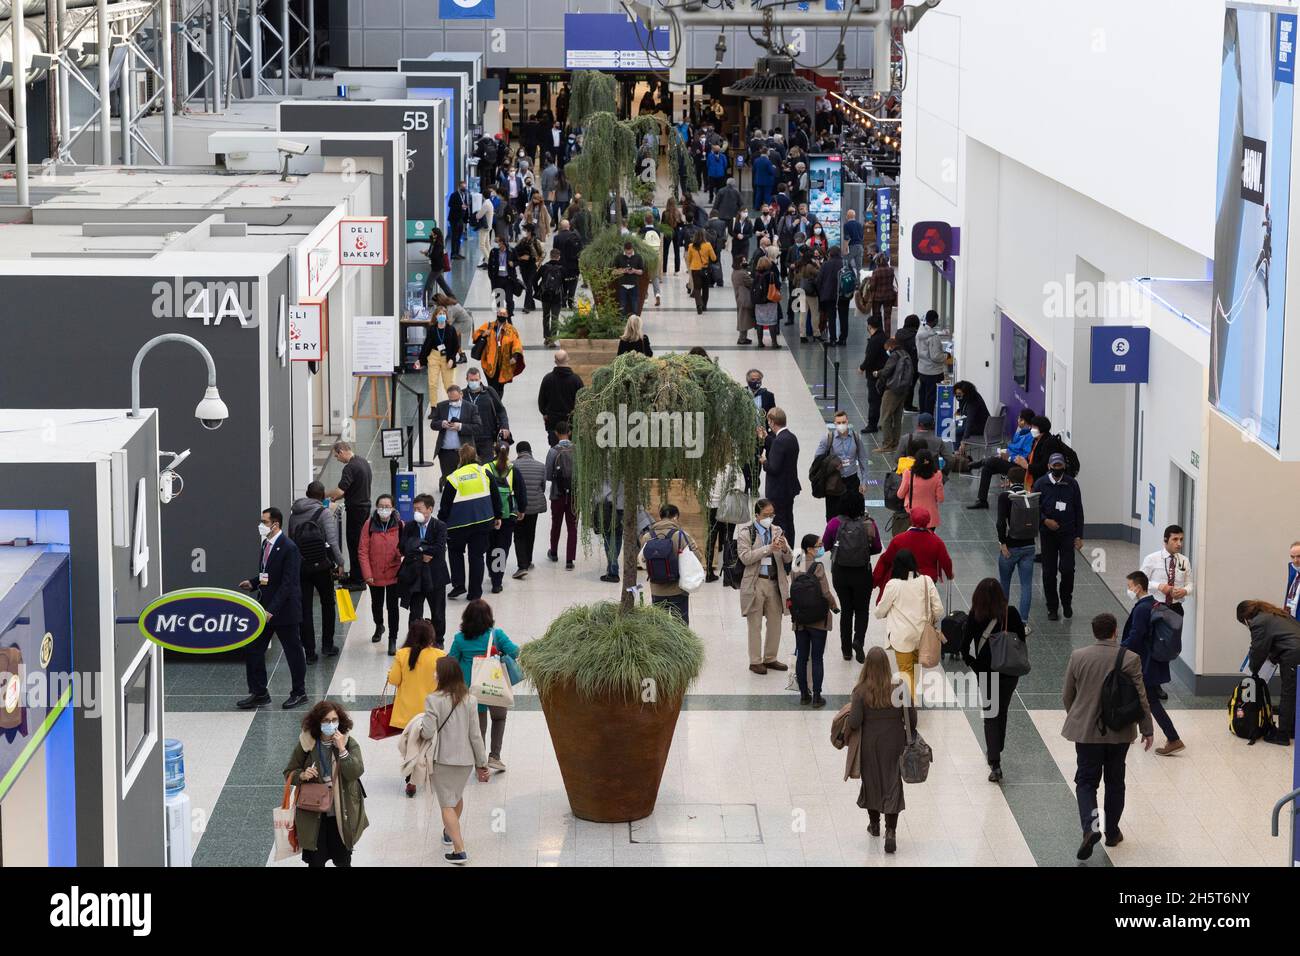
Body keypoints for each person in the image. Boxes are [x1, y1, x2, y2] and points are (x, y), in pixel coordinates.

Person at [1062, 613, 1154, 859]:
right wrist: (1147, 728)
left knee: (1086, 781)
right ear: (1115, 631)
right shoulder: (1131, 658)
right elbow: (1141, 696)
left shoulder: (1079, 656)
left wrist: (1079, 717)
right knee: (1115, 782)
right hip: (1120, 732)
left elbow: (1067, 695)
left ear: (1095, 632)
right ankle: (1112, 832)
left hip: (1087, 734)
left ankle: (1091, 829)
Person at [847, 646, 917, 855]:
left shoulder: (860, 691)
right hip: (894, 743)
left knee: (872, 782)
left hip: (870, 744)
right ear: (888, 666)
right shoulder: (900, 688)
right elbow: (912, 719)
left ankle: (874, 825)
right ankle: (891, 832)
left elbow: (854, 721)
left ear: (867, 666)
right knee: (892, 783)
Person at [420, 656, 490, 864]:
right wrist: (481, 763)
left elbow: (427, 732)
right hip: (466, 760)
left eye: (436, 671)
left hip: (443, 760)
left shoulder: (433, 699)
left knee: (446, 804)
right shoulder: (470, 699)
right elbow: (475, 735)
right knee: (456, 797)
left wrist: (423, 723)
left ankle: (459, 850)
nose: (434, 674)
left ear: (444, 675)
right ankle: (449, 833)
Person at [284, 701, 368, 867]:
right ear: (318, 722)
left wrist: (342, 750)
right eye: (326, 720)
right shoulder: (306, 744)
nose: (331, 724)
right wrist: (302, 775)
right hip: (314, 814)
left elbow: (355, 772)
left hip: (340, 811)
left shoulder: (348, 742)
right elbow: (289, 772)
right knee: (316, 861)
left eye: (334, 720)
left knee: (343, 860)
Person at [238, 507, 307, 709]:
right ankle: (259, 692)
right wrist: (253, 583)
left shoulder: (289, 548)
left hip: (283, 611)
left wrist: (272, 610)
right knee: (253, 648)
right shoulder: (266, 544)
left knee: (293, 651)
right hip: (265, 609)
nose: (261, 525)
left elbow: (288, 583)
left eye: (264, 522)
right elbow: (267, 574)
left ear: (275, 524)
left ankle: (299, 692)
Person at [961, 578, 1027, 782]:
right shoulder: (1012, 612)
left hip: (986, 672)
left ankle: (995, 762)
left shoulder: (975, 615)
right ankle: (997, 746)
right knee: (1003, 711)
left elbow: (963, 645)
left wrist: (973, 662)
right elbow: (1022, 641)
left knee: (991, 714)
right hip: (1009, 672)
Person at [446, 600, 520, 774]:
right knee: (499, 718)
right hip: (494, 684)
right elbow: (515, 652)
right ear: (489, 617)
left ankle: (480, 761)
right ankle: (495, 756)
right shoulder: (496, 634)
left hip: (471, 688)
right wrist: (499, 653)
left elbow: (452, 660)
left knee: (479, 727)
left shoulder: (459, 639)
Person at [1120, 571, 1184, 755]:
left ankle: (1173, 738)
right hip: (1152, 660)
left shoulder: (1142, 608)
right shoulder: (1153, 604)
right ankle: (1131, 733)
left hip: (1144, 663)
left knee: (1151, 701)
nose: (1128, 590)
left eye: (1129, 586)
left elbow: (1136, 635)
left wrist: (1119, 650)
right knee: (1139, 696)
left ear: (1138, 587)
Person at [874, 549, 944, 704]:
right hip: (922, 636)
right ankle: (912, 700)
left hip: (902, 638)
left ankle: (910, 709)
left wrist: (881, 612)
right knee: (915, 671)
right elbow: (939, 610)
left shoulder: (893, 585)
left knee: (905, 672)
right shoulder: (926, 581)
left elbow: (880, 611)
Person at [287, 482, 345, 662]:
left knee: (305, 609)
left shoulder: (294, 514)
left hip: (301, 566)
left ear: (306, 494)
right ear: (322, 496)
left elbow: (291, 539)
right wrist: (340, 563)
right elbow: (332, 541)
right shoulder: (324, 513)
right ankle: (328, 645)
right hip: (322, 566)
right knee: (327, 604)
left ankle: (310, 652)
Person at [438, 445, 503, 603]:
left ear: (460, 458)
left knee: (455, 552)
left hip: (458, 525)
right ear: (476, 456)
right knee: (477, 556)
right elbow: (495, 495)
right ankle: (475, 593)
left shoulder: (454, 477)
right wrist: (498, 516)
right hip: (482, 522)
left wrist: (441, 523)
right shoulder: (484, 472)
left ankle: (459, 584)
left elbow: (445, 505)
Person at [387, 620, 445, 795]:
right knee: (428, 745)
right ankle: (426, 772)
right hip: (431, 712)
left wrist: (390, 673)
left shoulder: (402, 654)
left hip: (407, 713)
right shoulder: (440, 655)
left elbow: (394, 680)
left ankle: (411, 778)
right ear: (431, 637)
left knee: (411, 745)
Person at [738, 499, 793, 675]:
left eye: (772, 515)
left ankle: (770, 658)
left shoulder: (777, 531)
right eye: (766, 515)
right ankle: (755, 661)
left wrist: (784, 549)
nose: (769, 518)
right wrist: (768, 548)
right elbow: (745, 557)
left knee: (775, 622)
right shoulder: (746, 532)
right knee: (754, 624)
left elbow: (789, 558)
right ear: (757, 515)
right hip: (755, 582)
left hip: (775, 582)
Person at [822, 490, 877, 663]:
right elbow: (876, 548)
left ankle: (846, 651)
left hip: (841, 571)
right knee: (862, 610)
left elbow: (826, 544)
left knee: (846, 610)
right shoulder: (868, 524)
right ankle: (858, 640)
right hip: (862, 572)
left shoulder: (834, 523)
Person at [1239, 599, 1300, 745]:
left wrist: (1253, 670)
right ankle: (1292, 728)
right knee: (1294, 691)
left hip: (1293, 653)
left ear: (1246, 618)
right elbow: (1279, 638)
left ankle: (1283, 735)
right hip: (1295, 650)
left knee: (1288, 693)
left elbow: (1258, 650)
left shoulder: (1258, 622)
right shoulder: (1275, 613)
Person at [1033, 452, 1085, 622]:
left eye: (1059, 465)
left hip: (1067, 534)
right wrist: (1045, 520)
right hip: (1048, 535)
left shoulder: (1072, 484)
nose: (1057, 468)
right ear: (1049, 466)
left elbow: (1079, 510)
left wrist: (1079, 535)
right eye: (1054, 466)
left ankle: (1066, 601)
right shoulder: (1040, 484)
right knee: (1048, 572)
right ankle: (1052, 607)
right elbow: (1034, 508)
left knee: (1068, 569)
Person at [793, 533, 838, 707]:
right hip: (818, 619)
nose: (821, 548)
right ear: (810, 548)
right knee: (817, 658)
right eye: (818, 545)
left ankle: (804, 695)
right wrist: (834, 607)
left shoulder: (797, 563)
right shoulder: (818, 567)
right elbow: (825, 592)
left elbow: (793, 587)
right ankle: (817, 697)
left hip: (800, 618)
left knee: (802, 657)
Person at [398, 493, 450, 640]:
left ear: (430, 509)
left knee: (438, 611)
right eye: (414, 509)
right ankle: (415, 640)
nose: (416, 512)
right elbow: (404, 548)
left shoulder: (439, 526)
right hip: (415, 576)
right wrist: (422, 554)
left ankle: (438, 639)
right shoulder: (409, 526)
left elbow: (439, 548)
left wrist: (417, 548)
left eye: (419, 509)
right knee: (415, 612)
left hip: (435, 576)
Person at [640, 504, 703, 624]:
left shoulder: (648, 536)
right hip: (678, 590)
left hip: (657, 590)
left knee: (659, 627)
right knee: (680, 626)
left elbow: (642, 561)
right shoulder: (681, 535)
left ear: (661, 516)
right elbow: (697, 558)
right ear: (675, 517)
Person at [358, 493, 403, 652]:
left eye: (387, 506)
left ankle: (393, 638)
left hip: (394, 574)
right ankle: (379, 625)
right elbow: (363, 551)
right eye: (381, 506)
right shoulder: (369, 525)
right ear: (376, 508)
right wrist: (367, 573)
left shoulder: (400, 525)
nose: (384, 509)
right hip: (374, 575)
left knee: (393, 607)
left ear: (393, 508)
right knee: (376, 605)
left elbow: (405, 548)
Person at [968, 407, 1036, 510]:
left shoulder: (1030, 437)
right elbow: (1012, 448)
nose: (1018, 421)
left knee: (990, 461)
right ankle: (982, 501)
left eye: (1020, 419)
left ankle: (980, 462)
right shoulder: (1019, 433)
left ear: (1026, 422)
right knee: (987, 468)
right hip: (1009, 460)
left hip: (1018, 465)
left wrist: (1009, 458)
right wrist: (1004, 454)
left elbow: (1024, 457)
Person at [994, 465, 1037, 626]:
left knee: (1004, 583)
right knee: (1026, 585)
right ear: (1024, 479)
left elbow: (1000, 523)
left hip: (1010, 546)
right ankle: (1023, 622)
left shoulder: (1005, 496)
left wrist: (1002, 542)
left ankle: (1003, 620)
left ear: (1009, 480)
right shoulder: (1031, 496)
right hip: (1029, 546)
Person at [327, 441, 372, 591]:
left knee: (355, 544)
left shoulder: (350, 467)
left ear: (341, 452)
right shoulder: (363, 461)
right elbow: (350, 489)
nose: (337, 459)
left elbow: (340, 491)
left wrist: (324, 496)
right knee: (360, 542)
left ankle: (358, 580)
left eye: (336, 456)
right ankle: (355, 575)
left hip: (356, 511)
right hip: (364, 507)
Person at [484, 440, 526, 595]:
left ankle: (491, 570)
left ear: (494, 452)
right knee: (501, 548)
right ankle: (497, 581)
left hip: (490, 515)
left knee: (490, 546)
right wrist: (521, 509)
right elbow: (521, 491)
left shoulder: (486, 468)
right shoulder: (513, 469)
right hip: (507, 516)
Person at [873, 508, 954, 588]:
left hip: (904, 579)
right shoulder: (937, 541)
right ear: (928, 521)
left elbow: (887, 559)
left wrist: (875, 580)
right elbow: (945, 561)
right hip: (928, 581)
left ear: (911, 520)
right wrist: (949, 574)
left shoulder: (898, 539)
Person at [814, 410, 869, 521]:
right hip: (834, 482)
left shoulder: (856, 437)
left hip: (852, 480)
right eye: (838, 423)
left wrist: (864, 482)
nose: (841, 425)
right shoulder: (828, 439)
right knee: (832, 516)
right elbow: (817, 460)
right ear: (834, 424)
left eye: (843, 422)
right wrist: (832, 464)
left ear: (847, 421)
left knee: (855, 514)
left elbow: (863, 459)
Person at [763, 407, 800, 550]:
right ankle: (789, 549)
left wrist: (764, 462)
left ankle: (783, 553)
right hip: (789, 489)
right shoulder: (791, 437)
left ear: (772, 422)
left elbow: (774, 468)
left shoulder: (779, 441)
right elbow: (780, 451)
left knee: (779, 523)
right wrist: (767, 438)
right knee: (789, 521)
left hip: (778, 491)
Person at [510, 442, 547, 580]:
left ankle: (522, 566)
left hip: (519, 507)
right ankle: (529, 560)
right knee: (530, 533)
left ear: (518, 452)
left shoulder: (512, 466)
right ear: (530, 451)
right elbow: (542, 486)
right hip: (534, 505)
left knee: (519, 535)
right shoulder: (541, 466)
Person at [545, 421, 578, 569]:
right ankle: (570, 560)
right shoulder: (577, 450)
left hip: (557, 494)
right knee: (572, 526)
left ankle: (554, 552)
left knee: (556, 524)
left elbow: (548, 476)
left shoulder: (553, 451)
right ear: (569, 432)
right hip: (574, 494)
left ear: (556, 434)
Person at [413, 308, 462, 405]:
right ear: (436, 316)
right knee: (432, 384)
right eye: (440, 313)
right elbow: (427, 345)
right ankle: (433, 406)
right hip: (434, 357)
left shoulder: (451, 329)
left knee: (449, 383)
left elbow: (455, 346)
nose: (442, 315)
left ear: (446, 316)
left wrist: (452, 358)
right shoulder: (432, 329)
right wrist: (420, 360)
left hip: (447, 358)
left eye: (444, 313)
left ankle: (453, 403)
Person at [875, 337, 914, 454]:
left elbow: (887, 371)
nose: (886, 351)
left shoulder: (894, 355)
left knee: (885, 417)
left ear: (890, 346)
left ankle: (886, 444)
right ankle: (895, 443)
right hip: (903, 389)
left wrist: (877, 373)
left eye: (887, 349)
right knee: (897, 417)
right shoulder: (905, 353)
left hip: (892, 389)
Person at [472, 309, 524, 396]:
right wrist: (483, 335)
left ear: (507, 315)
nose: (502, 315)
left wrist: (515, 356)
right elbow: (474, 336)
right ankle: (495, 404)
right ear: (497, 314)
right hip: (489, 362)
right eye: (500, 313)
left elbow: (517, 344)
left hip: (504, 363)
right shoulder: (488, 326)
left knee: (500, 385)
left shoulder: (512, 330)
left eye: (504, 314)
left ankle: (495, 403)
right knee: (492, 385)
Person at [537, 350, 584, 446]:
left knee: (554, 448)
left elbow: (541, 400)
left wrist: (545, 413)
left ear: (555, 362)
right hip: (571, 422)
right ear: (568, 359)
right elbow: (582, 400)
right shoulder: (576, 380)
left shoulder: (548, 379)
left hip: (553, 422)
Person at [463, 367, 511, 460]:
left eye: (476, 380)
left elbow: (501, 410)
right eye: (471, 380)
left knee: (486, 466)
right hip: (468, 438)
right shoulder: (463, 394)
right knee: (470, 466)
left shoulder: (489, 392)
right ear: (467, 380)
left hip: (487, 437)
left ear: (480, 379)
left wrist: (505, 426)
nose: (474, 382)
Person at [896, 448, 944, 530]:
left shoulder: (908, 474)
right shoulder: (937, 474)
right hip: (930, 517)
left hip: (912, 515)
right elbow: (940, 498)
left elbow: (900, 495)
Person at [858, 314, 888, 433]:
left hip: (875, 375)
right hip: (885, 374)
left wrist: (862, 367)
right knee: (882, 400)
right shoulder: (884, 337)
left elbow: (870, 358)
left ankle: (872, 424)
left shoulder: (874, 340)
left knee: (874, 400)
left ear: (870, 326)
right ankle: (884, 422)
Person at [915, 310, 946, 417]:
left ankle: (923, 416)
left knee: (923, 394)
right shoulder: (933, 337)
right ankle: (928, 419)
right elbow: (936, 356)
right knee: (931, 397)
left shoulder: (920, 332)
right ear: (935, 320)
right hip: (933, 372)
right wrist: (946, 356)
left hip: (922, 369)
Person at [535, 248, 567, 348]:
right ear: (559, 257)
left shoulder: (544, 267)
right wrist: (564, 294)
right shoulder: (562, 268)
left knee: (545, 316)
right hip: (557, 296)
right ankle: (552, 339)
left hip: (545, 296)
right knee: (555, 318)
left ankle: (546, 338)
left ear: (550, 256)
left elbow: (534, 280)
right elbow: (565, 284)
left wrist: (538, 290)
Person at [751, 255, 782, 346]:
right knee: (772, 321)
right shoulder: (771, 274)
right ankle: (774, 342)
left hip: (759, 302)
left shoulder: (756, 274)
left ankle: (760, 342)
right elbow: (778, 286)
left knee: (760, 322)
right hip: (770, 300)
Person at [685, 229, 718, 315]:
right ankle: (704, 306)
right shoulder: (708, 245)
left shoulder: (691, 246)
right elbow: (714, 258)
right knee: (705, 289)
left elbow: (689, 259)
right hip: (705, 270)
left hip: (695, 270)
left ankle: (699, 305)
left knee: (697, 288)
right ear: (704, 236)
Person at [514, 224, 544, 315]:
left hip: (532, 267)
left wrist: (537, 263)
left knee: (529, 285)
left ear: (530, 231)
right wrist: (520, 258)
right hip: (523, 266)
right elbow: (515, 251)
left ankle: (527, 306)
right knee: (527, 285)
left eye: (525, 230)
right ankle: (532, 304)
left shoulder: (536, 242)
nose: (524, 231)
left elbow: (542, 254)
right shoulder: (522, 241)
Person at [553, 219, 583, 308]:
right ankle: (571, 301)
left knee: (562, 284)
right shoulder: (575, 237)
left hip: (561, 265)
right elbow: (580, 250)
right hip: (573, 265)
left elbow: (555, 252)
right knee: (573, 284)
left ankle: (563, 302)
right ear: (569, 226)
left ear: (561, 227)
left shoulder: (557, 237)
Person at [953, 380, 991, 449]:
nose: (957, 395)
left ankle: (957, 453)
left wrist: (964, 440)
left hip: (981, 426)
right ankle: (960, 452)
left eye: (959, 393)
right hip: (976, 422)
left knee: (955, 432)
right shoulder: (970, 396)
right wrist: (959, 410)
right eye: (956, 393)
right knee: (954, 425)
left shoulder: (973, 402)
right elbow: (964, 407)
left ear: (966, 392)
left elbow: (969, 421)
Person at [613, 239, 646, 317]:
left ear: (632, 249)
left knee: (635, 306)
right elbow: (614, 271)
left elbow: (641, 272)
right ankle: (623, 323)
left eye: (630, 252)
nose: (629, 254)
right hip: (623, 285)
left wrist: (634, 271)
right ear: (624, 250)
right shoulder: (619, 257)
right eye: (627, 253)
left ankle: (635, 324)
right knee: (622, 306)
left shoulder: (638, 257)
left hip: (634, 285)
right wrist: (623, 271)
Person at [896, 314, 921, 411]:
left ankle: (900, 403)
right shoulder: (915, 337)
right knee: (911, 385)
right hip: (912, 365)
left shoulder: (899, 334)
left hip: (899, 362)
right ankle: (908, 405)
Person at [422, 228, 454, 303]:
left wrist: (427, 253)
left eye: (431, 233)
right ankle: (452, 297)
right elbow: (432, 253)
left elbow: (434, 255)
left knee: (428, 286)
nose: (430, 234)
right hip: (436, 267)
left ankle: (425, 302)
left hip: (437, 268)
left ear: (435, 235)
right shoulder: (433, 243)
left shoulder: (438, 245)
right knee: (443, 284)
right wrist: (427, 253)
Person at [867, 253, 896, 330]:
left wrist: (869, 282)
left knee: (876, 316)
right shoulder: (891, 270)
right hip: (889, 296)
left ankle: (879, 334)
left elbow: (872, 286)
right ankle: (887, 337)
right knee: (887, 318)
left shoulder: (876, 271)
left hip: (877, 298)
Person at [733, 254, 755, 344]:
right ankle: (742, 339)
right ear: (740, 263)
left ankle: (743, 337)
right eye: (744, 261)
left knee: (743, 318)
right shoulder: (742, 273)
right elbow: (751, 282)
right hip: (744, 298)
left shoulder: (735, 272)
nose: (745, 262)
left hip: (739, 297)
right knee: (743, 318)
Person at [448, 180, 471, 259]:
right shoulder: (454, 195)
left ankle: (457, 252)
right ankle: (453, 253)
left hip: (461, 218)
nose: (464, 188)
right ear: (459, 187)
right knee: (455, 236)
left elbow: (465, 206)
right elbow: (450, 204)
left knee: (459, 236)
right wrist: (460, 206)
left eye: (465, 186)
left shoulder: (465, 195)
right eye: (462, 186)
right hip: (454, 219)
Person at [474, 187, 495, 267]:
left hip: (484, 227)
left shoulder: (486, 204)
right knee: (487, 244)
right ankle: (488, 261)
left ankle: (489, 261)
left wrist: (476, 215)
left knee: (482, 245)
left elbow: (479, 216)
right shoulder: (489, 202)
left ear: (483, 195)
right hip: (488, 226)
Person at [843, 208, 865, 275]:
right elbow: (862, 236)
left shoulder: (846, 225)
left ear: (847, 216)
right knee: (859, 268)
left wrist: (845, 250)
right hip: (860, 247)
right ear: (854, 216)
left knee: (845, 264)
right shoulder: (860, 224)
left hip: (852, 246)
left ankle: (849, 281)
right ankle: (859, 283)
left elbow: (847, 238)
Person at [1286, 542, 1300, 620]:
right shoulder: (1293, 571)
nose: (1295, 561)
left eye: (1299, 556)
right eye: (1292, 557)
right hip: (1291, 620)